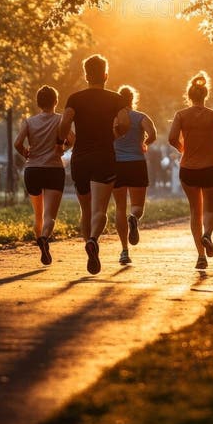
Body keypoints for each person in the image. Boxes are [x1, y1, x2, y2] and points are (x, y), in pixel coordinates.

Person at [57, 54, 130, 275]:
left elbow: (64, 123)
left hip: (80, 159)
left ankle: (89, 247)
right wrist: (115, 134)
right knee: (101, 209)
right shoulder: (116, 99)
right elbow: (125, 122)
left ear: (86, 75)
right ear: (105, 75)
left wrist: (65, 141)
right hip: (104, 158)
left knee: (85, 209)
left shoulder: (75, 99)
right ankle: (93, 240)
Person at [168, 71, 213, 270]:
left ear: (189, 96)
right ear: (205, 95)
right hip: (211, 167)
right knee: (210, 208)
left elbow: (171, 138)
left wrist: (183, 149)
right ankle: (207, 235)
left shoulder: (181, 115)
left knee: (195, 212)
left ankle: (201, 256)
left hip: (188, 168)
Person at [14, 85, 68, 266]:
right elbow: (73, 140)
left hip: (33, 170)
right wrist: (61, 150)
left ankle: (41, 247)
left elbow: (17, 143)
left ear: (38, 102)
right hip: (54, 170)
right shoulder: (61, 120)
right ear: (56, 101)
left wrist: (25, 153)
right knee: (50, 216)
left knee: (38, 215)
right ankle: (44, 238)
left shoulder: (28, 122)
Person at [112, 85, 157, 266]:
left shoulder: (113, 118)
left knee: (119, 208)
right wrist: (145, 143)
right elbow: (153, 133)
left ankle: (124, 251)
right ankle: (134, 218)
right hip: (136, 164)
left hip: (116, 165)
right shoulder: (141, 117)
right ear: (132, 99)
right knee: (137, 207)